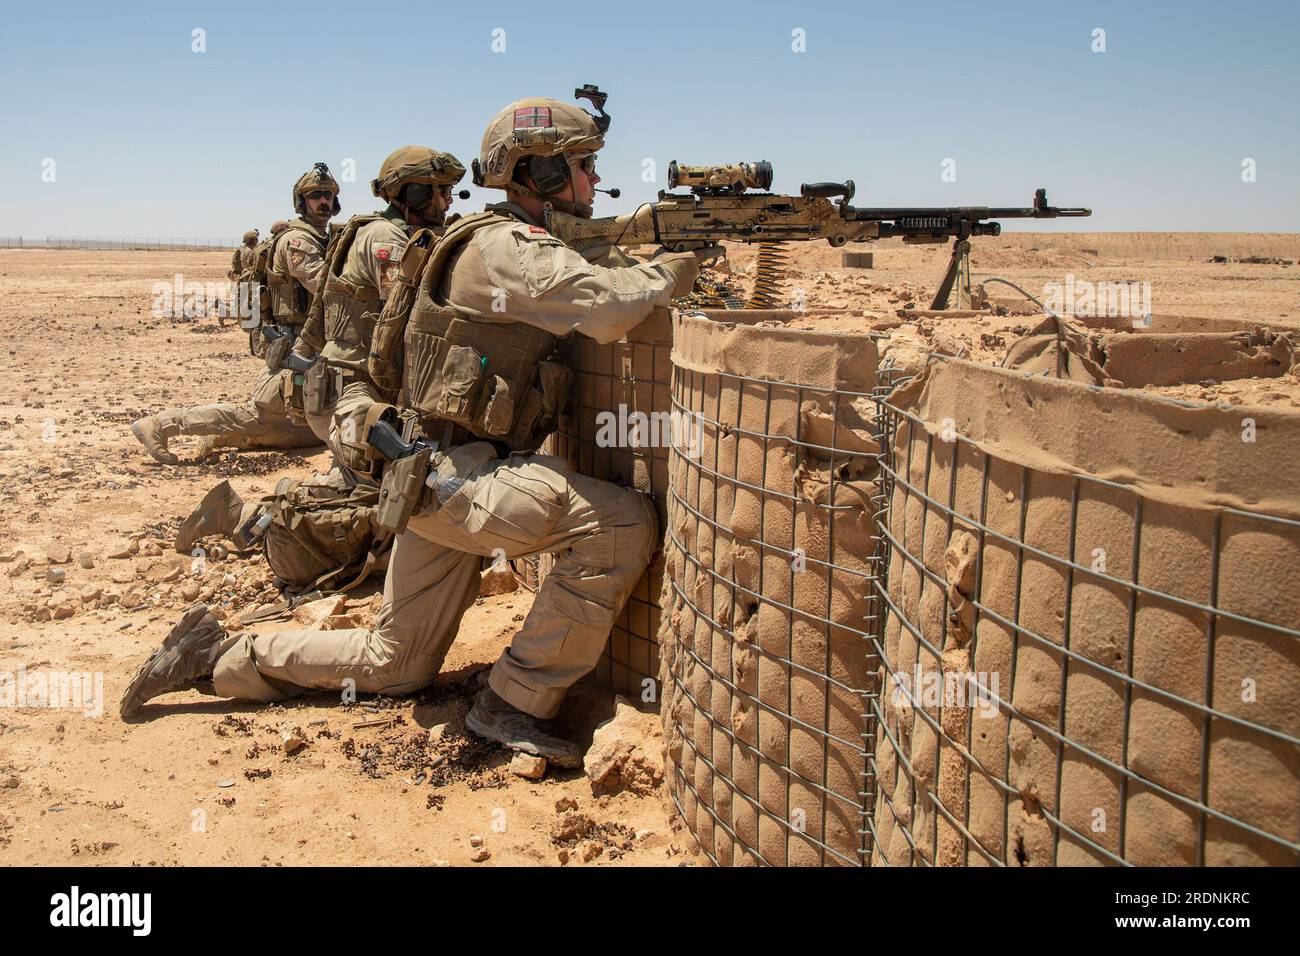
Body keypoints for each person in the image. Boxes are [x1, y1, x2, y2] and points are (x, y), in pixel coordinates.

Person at [120, 93, 709, 770]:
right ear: (538, 173)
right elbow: (606, 307)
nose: (594, 179)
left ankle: (217, 657)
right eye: (581, 165)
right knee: (622, 525)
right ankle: (515, 702)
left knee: (393, 664)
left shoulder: (492, 240)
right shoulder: (506, 247)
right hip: (455, 478)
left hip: (424, 477)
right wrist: (679, 264)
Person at [129, 166, 339, 464]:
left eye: (328, 194)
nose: (324, 201)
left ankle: (228, 436)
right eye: (316, 195)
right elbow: (324, 285)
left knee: (316, 432)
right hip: (297, 353)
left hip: (313, 349)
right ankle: (160, 424)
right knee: (257, 417)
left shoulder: (322, 238)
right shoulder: (298, 240)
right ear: (302, 201)